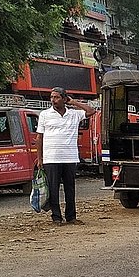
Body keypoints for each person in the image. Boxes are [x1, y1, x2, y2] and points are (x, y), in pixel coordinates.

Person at [36, 87, 97, 225]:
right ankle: (56, 217)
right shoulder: (45, 114)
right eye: (51, 97)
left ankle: (71, 216)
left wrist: (74, 102)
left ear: (64, 99)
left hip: (70, 157)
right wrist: (40, 158)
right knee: (53, 188)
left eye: (56, 97)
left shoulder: (74, 114)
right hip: (51, 157)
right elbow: (39, 138)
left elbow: (91, 111)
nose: (53, 100)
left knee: (70, 188)